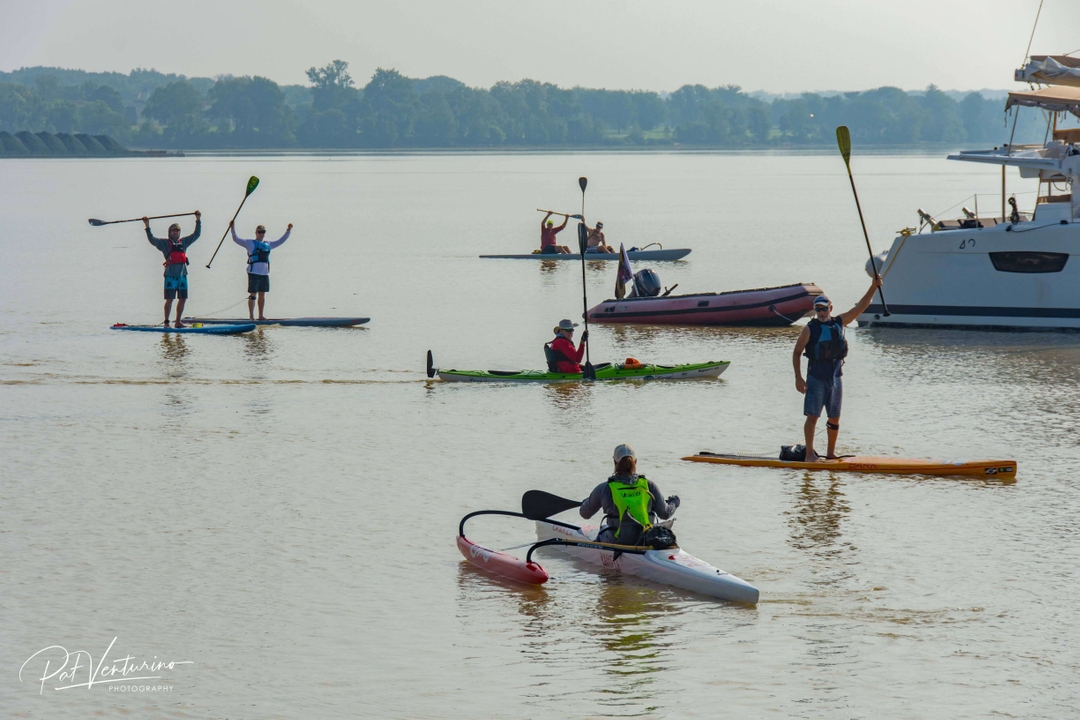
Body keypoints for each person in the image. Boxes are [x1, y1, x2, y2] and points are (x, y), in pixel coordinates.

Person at [792, 274, 884, 462]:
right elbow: (796, 353)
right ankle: (809, 454)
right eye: (818, 310)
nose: (821, 313)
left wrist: (874, 287)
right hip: (816, 378)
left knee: (834, 417)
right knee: (813, 416)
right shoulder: (809, 329)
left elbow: (860, 307)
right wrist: (799, 378)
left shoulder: (839, 322)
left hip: (836, 378)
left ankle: (831, 453)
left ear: (830, 308)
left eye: (824, 309)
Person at [580, 444, 680, 545]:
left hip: (617, 541)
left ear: (615, 463)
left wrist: (586, 502)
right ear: (635, 462)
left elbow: (585, 513)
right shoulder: (649, 485)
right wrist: (674, 502)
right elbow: (665, 513)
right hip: (646, 540)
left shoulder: (604, 488)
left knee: (603, 529)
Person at [144, 211, 201, 327]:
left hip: (182, 275)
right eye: (173, 231)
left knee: (183, 298)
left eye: (177, 231)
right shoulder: (164, 243)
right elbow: (152, 240)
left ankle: (178, 322)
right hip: (170, 276)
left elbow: (197, 234)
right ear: (169, 232)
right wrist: (147, 226)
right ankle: (166, 322)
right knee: (170, 299)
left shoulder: (184, 242)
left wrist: (198, 219)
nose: (175, 232)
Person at [230, 221, 292, 321]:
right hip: (253, 272)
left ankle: (261, 316)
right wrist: (232, 228)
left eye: (263, 232)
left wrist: (288, 231)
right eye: (259, 232)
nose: (261, 234)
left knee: (262, 294)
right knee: (253, 294)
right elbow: (236, 239)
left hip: (264, 273)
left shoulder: (268, 244)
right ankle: (251, 316)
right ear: (256, 233)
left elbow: (281, 241)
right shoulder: (249, 243)